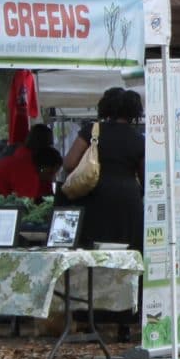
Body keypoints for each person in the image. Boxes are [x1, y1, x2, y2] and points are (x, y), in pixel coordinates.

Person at [61, 87, 146, 254]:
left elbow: (69, 163)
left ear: (105, 106)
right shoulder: (138, 139)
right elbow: (145, 177)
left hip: (94, 196)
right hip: (128, 200)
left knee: (92, 250)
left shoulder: (92, 131)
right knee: (125, 250)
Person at [0, 123, 58, 200]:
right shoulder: (25, 164)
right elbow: (26, 202)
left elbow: (45, 193)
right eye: (50, 145)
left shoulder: (27, 161)